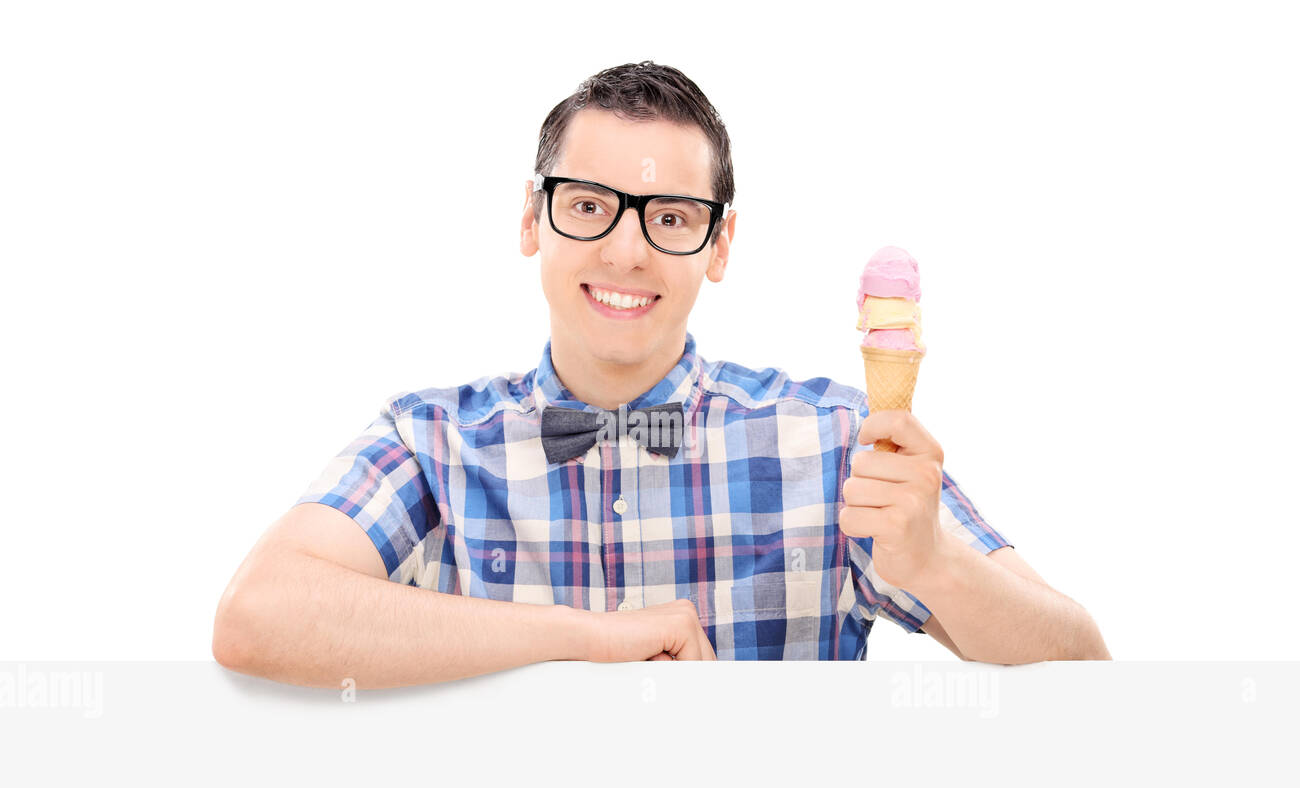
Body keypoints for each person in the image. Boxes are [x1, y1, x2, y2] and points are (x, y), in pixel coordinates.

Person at [212, 61, 1110, 687]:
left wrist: (938, 564)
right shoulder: (431, 440)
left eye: (671, 216)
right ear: (532, 220)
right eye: (590, 206)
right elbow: (257, 616)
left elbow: (1082, 669)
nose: (626, 249)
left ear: (719, 244)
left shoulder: (838, 443)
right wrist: (591, 644)